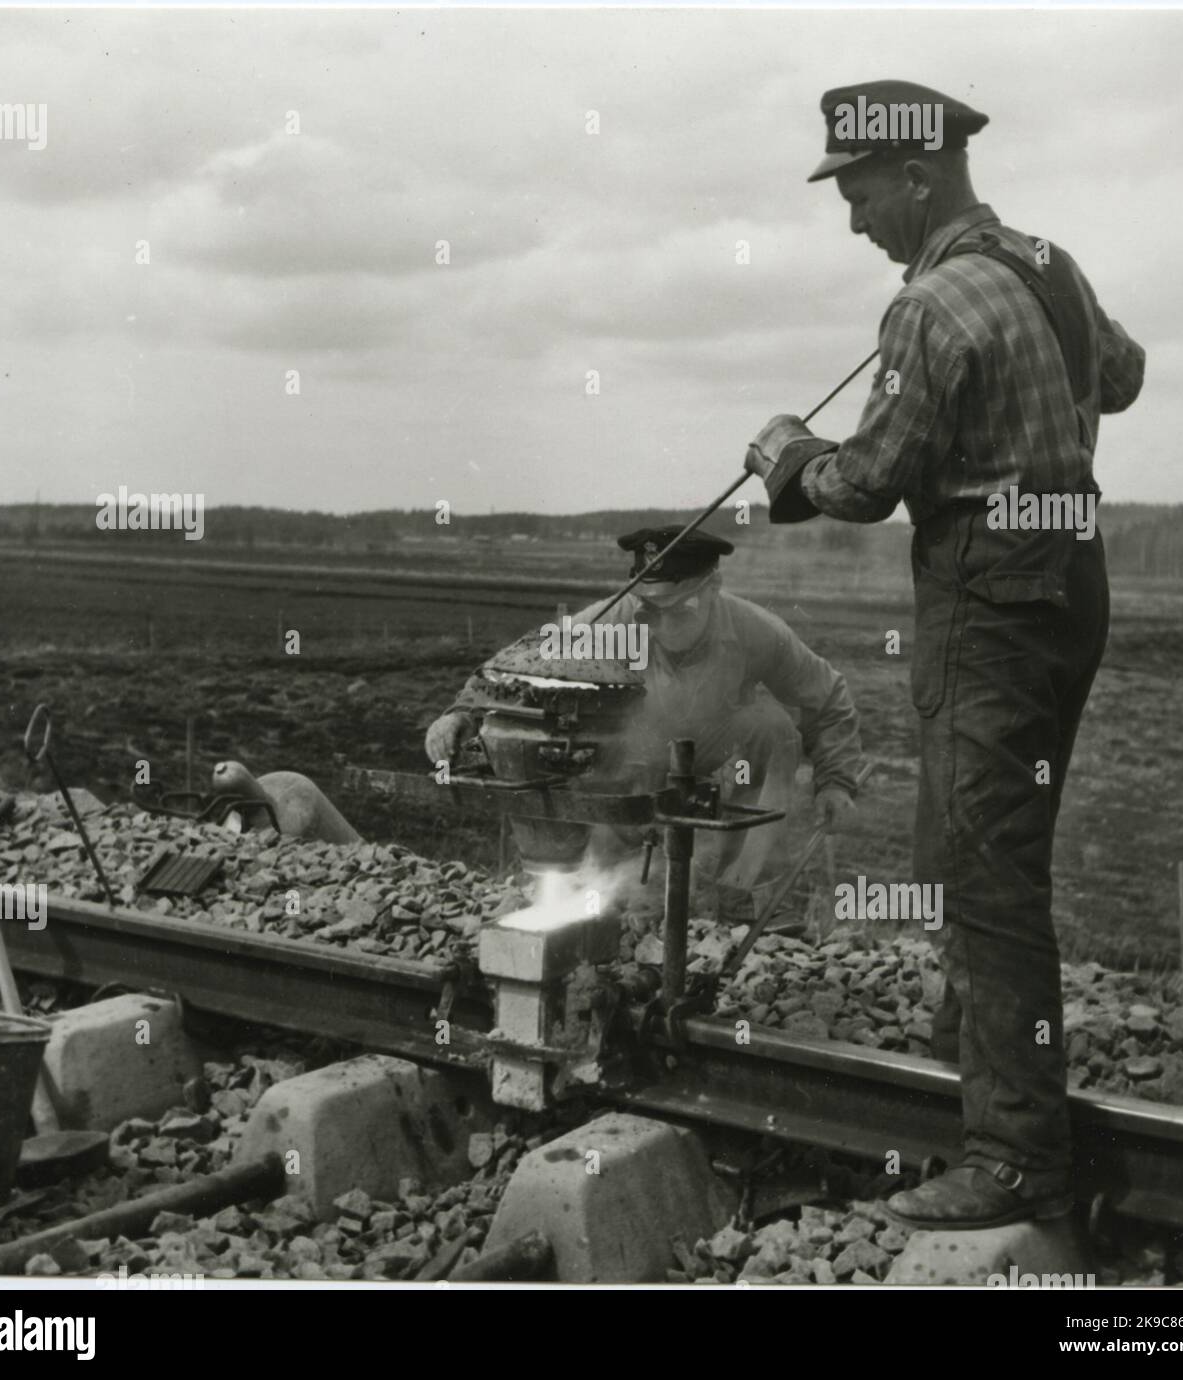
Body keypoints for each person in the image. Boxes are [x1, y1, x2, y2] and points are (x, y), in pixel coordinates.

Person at [744, 80, 1145, 1229]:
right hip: (1072, 574)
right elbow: (1119, 377)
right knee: (975, 839)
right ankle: (967, 1047)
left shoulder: (926, 308)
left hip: (987, 588)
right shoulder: (1048, 263)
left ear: (916, 176)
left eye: (860, 194)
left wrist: (788, 456)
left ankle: (1016, 1159)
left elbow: (867, 484)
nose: (855, 221)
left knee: (984, 875)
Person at [425, 525, 864, 917]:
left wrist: (837, 782)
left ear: (714, 587)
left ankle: (738, 892)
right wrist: (460, 714)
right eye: (649, 610)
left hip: (711, 747)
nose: (659, 623)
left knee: (774, 728)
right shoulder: (609, 620)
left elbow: (826, 697)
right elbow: (511, 668)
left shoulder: (756, 630)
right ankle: (602, 878)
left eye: (678, 608)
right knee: (605, 891)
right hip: (629, 756)